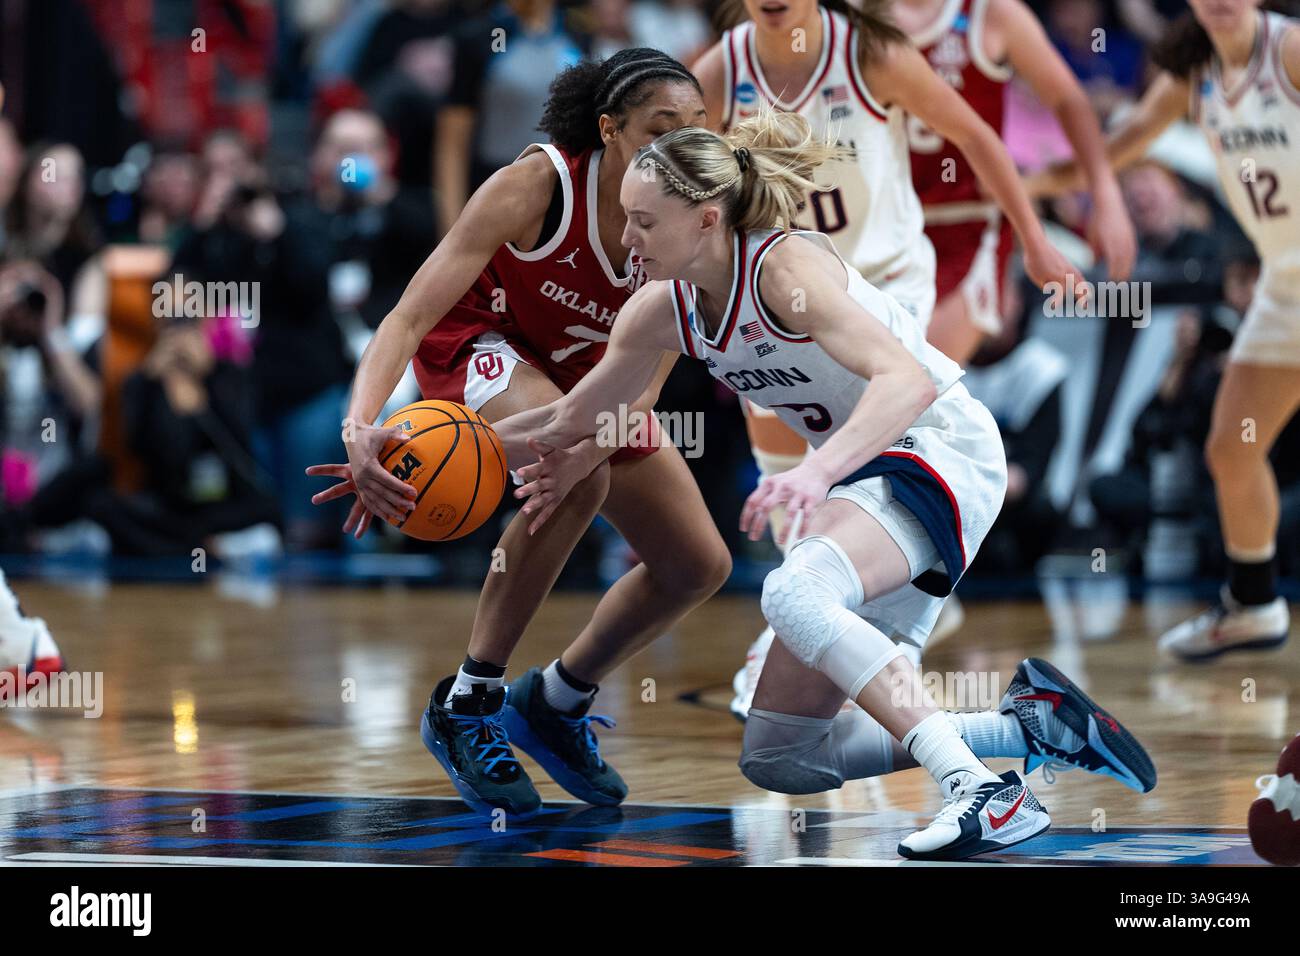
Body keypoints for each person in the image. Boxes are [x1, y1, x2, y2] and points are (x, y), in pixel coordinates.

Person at [489, 113, 1152, 860]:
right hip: (868, 471)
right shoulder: (658, 310)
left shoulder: (783, 270)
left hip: (934, 445)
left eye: (643, 221)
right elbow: (577, 415)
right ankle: (1030, 729)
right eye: (624, 220)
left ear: (706, 219)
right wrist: (425, 444)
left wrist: (815, 470)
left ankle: (982, 794)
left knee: (793, 592)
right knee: (782, 758)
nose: (627, 238)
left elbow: (904, 379)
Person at [307, 50, 731, 818]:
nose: (678, 148)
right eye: (658, 130)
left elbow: (647, 389)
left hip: (594, 378)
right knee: (576, 468)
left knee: (697, 564)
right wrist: (360, 427)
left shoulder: (696, 217)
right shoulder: (536, 185)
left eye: (694, 130)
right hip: (484, 345)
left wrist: (590, 442)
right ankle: (469, 700)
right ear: (609, 129)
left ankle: (556, 701)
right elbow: (407, 316)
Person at [690, 0, 1094, 716]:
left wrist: (1034, 240)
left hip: (884, 284)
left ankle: (862, 623)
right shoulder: (725, 67)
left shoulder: (869, 51)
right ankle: (820, 630)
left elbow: (974, 134)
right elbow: (672, 167)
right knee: (787, 478)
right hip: (782, 286)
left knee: (868, 457)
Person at [1031, 0, 1300, 661]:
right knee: (1232, 451)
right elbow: (1115, 150)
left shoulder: (1288, 51)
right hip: (1285, 282)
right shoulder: (1193, 74)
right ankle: (1254, 601)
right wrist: (1025, 186)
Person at [894, 0, 1135, 365]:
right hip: (887, 222)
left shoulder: (992, 14)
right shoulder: (855, 17)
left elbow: (1069, 98)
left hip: (970, 223)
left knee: (921, 376)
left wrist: (1107, 196)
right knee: (876, 391)